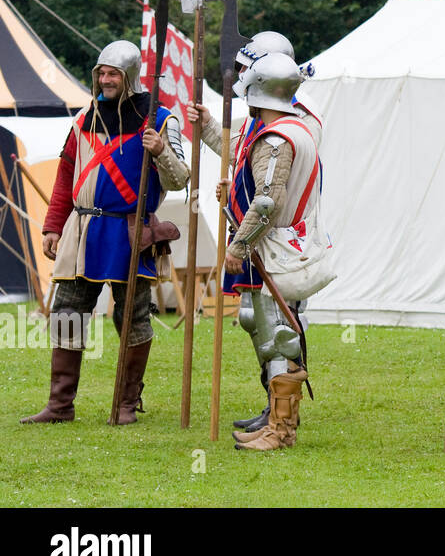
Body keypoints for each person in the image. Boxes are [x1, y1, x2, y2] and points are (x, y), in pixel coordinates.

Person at [22, 40, 189, 425]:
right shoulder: (85, 118)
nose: (105, 79)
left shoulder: (161, 120)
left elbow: (180, 179)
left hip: (130, 232)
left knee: (132, 318)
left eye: (112, 73)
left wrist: (161, 149)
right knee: (67, 311)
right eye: (101, 72)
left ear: (129, 76)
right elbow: (66, 175)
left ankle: (127, 403)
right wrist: (52, 226)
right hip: (83, 231)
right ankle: (60, 405)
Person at [188, 30, 323, 434]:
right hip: (262, 237)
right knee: (257, 320)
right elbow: (247, 157)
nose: (242, 75)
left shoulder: (290, 122)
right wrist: (212, 128)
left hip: (276, 239)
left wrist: (241, 239)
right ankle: (274, 408)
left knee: (280, 329)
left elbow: (270, 194)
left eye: (250, 68)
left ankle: (282, 418)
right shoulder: (270, 117)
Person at [221, 53, 329, 451]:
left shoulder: (276, 137)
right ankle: (275, 424)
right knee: (277, 337)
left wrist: (240, 244)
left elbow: (266, 202)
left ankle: (280, 431)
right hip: (287, 243)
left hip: (274, 246)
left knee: (279, 340)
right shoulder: (297, 129)